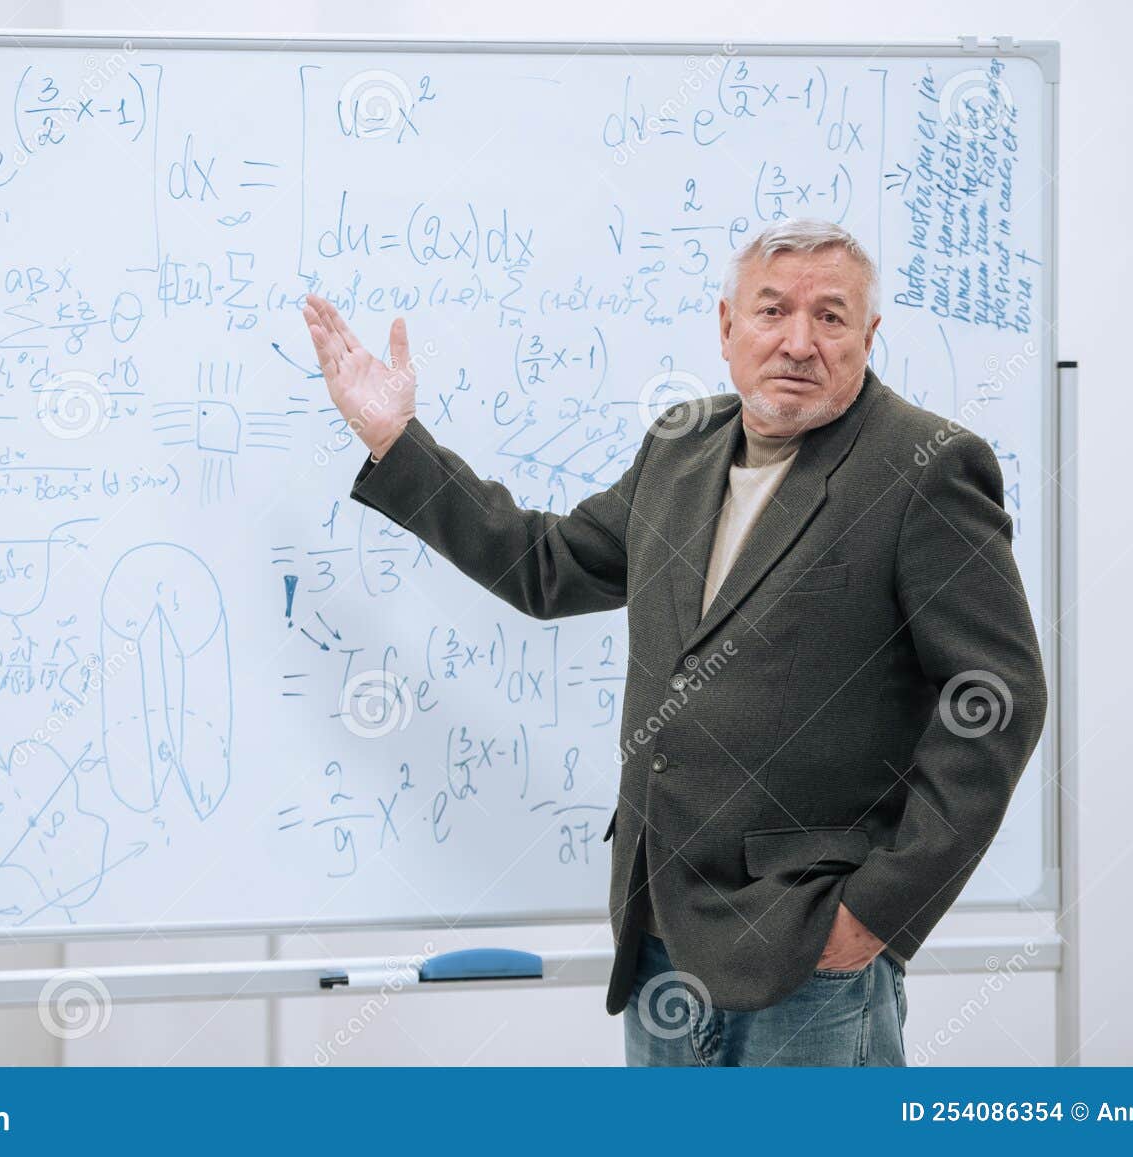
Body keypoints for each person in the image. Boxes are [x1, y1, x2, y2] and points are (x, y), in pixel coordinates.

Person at [301, 218, 1048, 1066]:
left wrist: (881, 907)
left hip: (810, 953)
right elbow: (547, 567)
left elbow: (998, 701)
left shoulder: (926, 466)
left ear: (868, 336)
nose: (799, 342)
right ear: (727, 327)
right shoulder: (680, 444)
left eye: (831, 318)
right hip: (661, 936)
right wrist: (398, 444)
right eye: (773, 311)